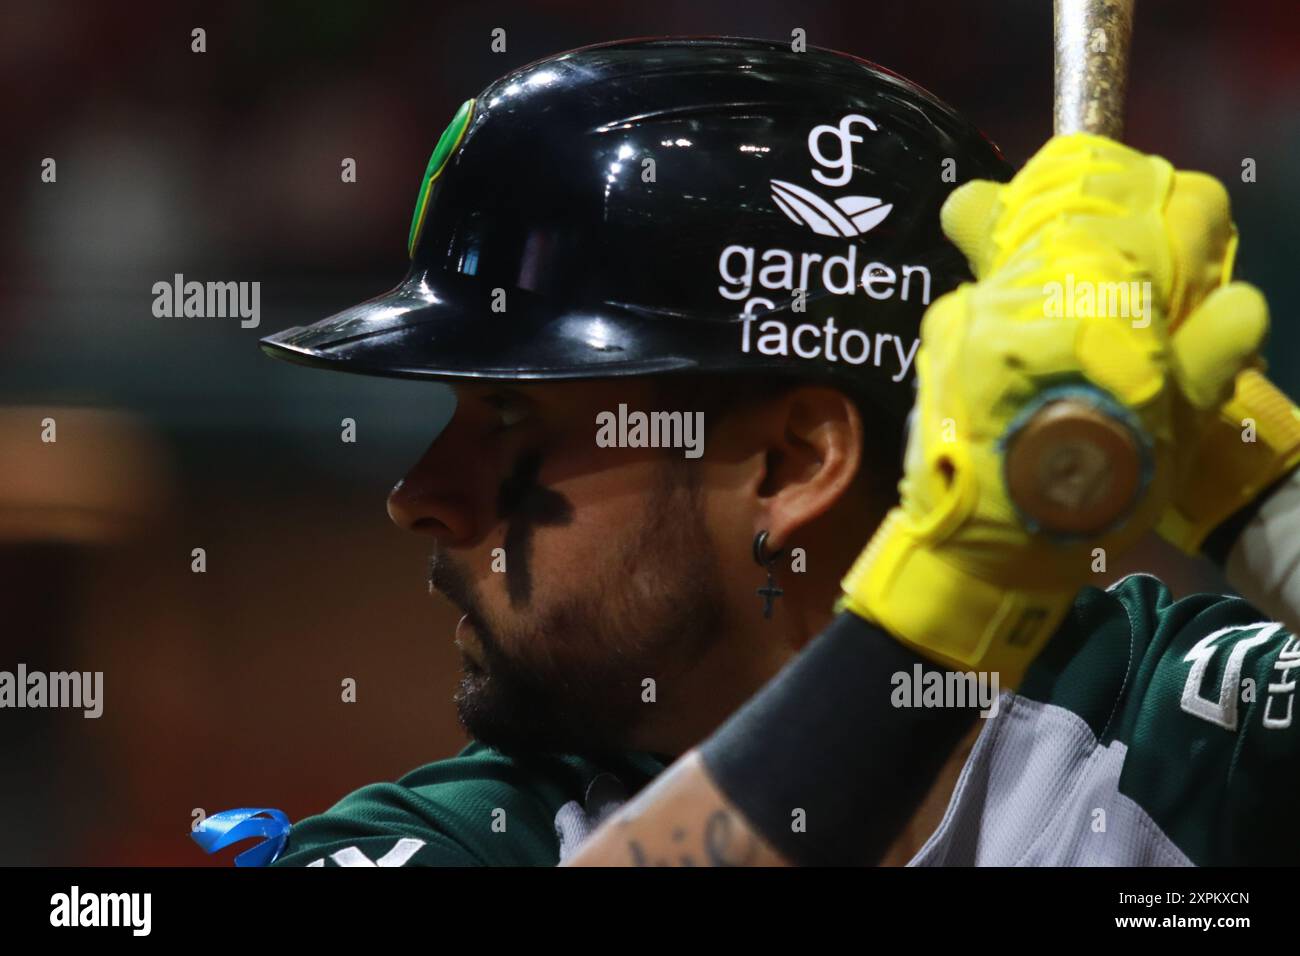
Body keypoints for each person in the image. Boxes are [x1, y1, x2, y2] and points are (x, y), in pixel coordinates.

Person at [197, 37, 1300, 867]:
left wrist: (1263, 491)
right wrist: (956, 590)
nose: (418, 496)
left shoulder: (1181, 733)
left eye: (509, 413)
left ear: (788, 466)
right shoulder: (475, 833)